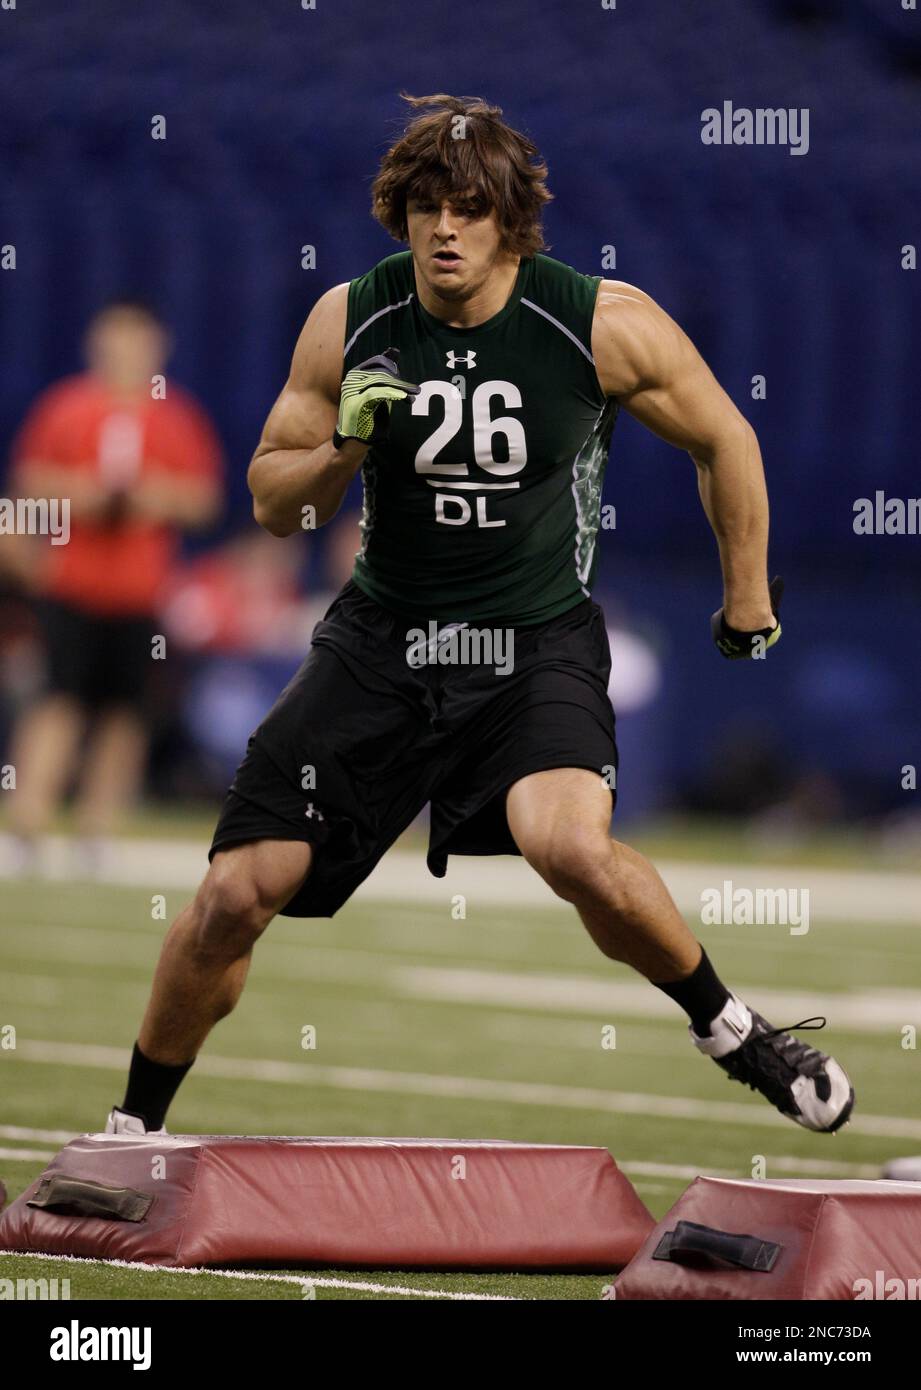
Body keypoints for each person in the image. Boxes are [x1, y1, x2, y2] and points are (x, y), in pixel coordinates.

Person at [107, 95, 853, 1138]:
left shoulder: (597, 318)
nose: (443, 228)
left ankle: (731, 1027)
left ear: (511, 219)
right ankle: (133, 1129)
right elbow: (277, 505)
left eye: (467, 207)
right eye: (424, 206)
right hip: (381, 639)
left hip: (531, 641)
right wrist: (345, 446)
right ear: (400, 214)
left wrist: (747, 595)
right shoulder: (351, 316)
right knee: (235, 891)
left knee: (572, 847)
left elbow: (726, 436)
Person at [7, 299, 222, 861]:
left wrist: (153, 497)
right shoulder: (66, 407)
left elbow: (204, 499)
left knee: (124, 712)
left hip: (138, 591)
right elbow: (29, 482)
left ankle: (97, 826)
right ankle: (29, 818)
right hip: (72, 584)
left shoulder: (175, 416)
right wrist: (86, 495)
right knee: (59, 699)